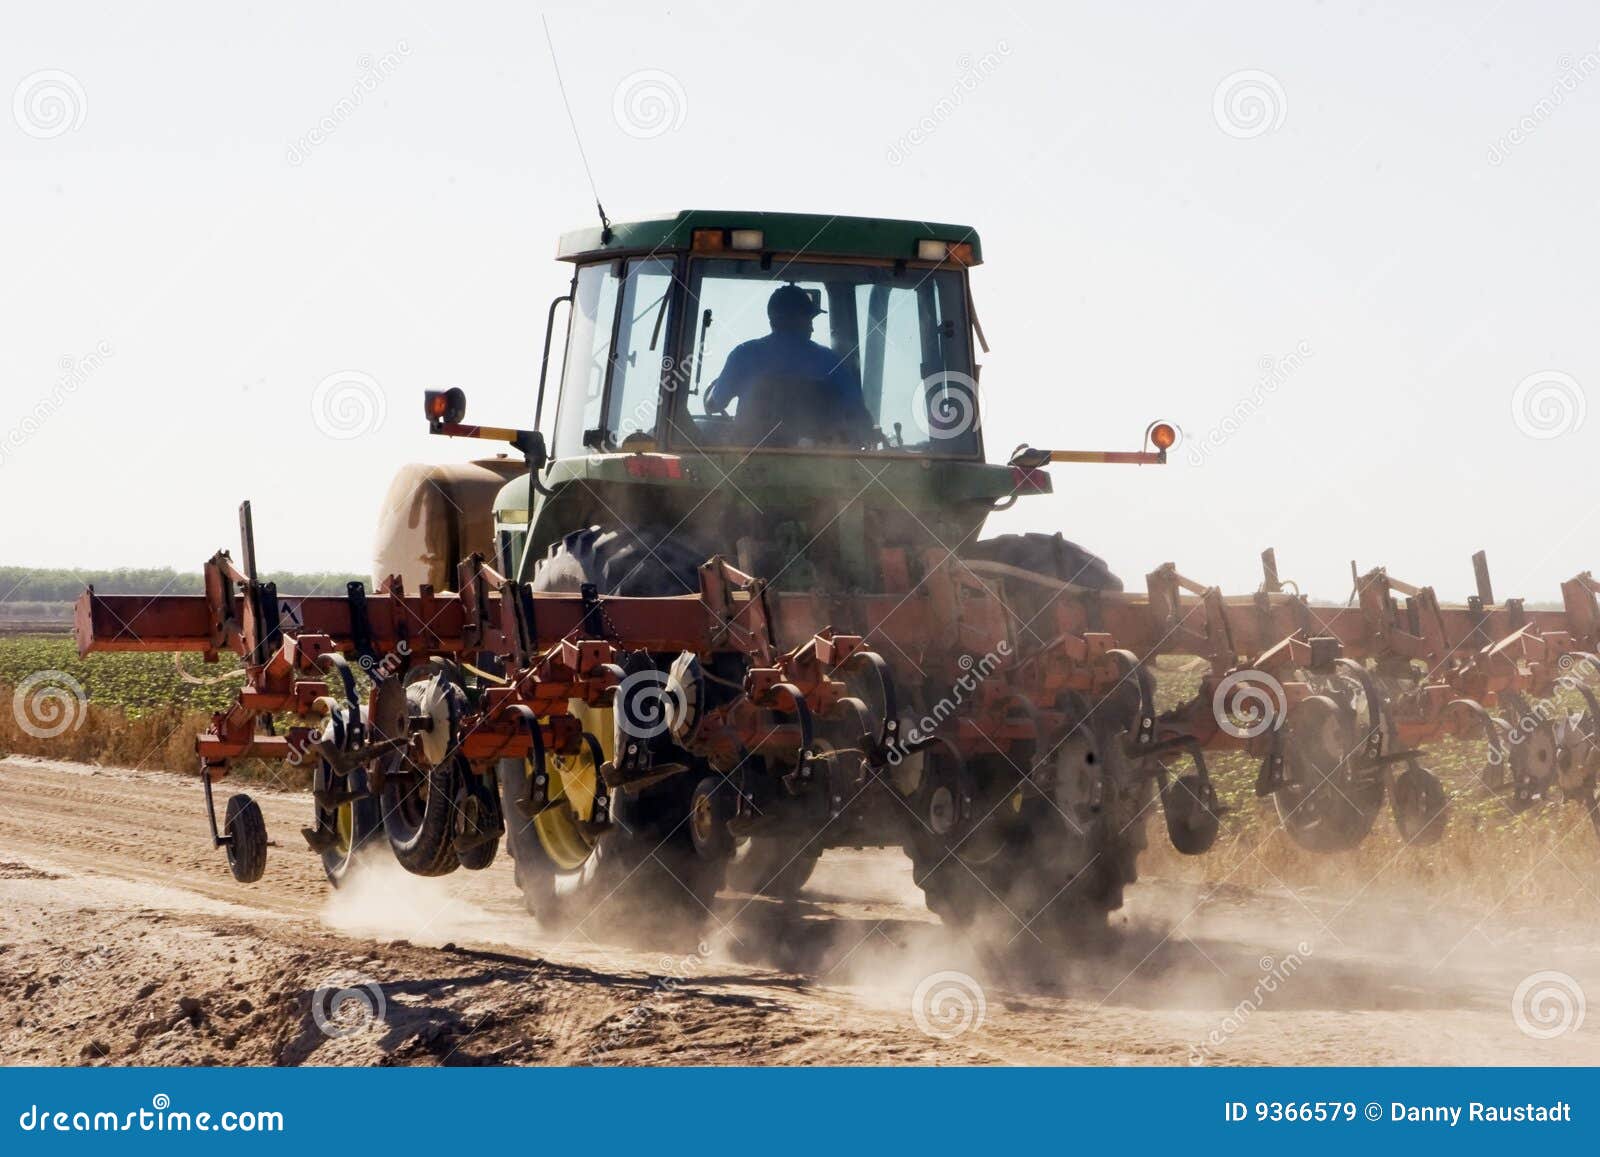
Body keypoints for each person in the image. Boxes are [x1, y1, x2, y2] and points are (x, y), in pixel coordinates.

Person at [704, 284, 873, 444]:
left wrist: (714, 387)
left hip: (747, 464)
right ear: (802, 320)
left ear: (772, 321)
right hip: (820, 466)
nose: (812, 328)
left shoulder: (743, 355)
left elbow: (713, 404)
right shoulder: (830, 361)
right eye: (810, 320)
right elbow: (859, 417)